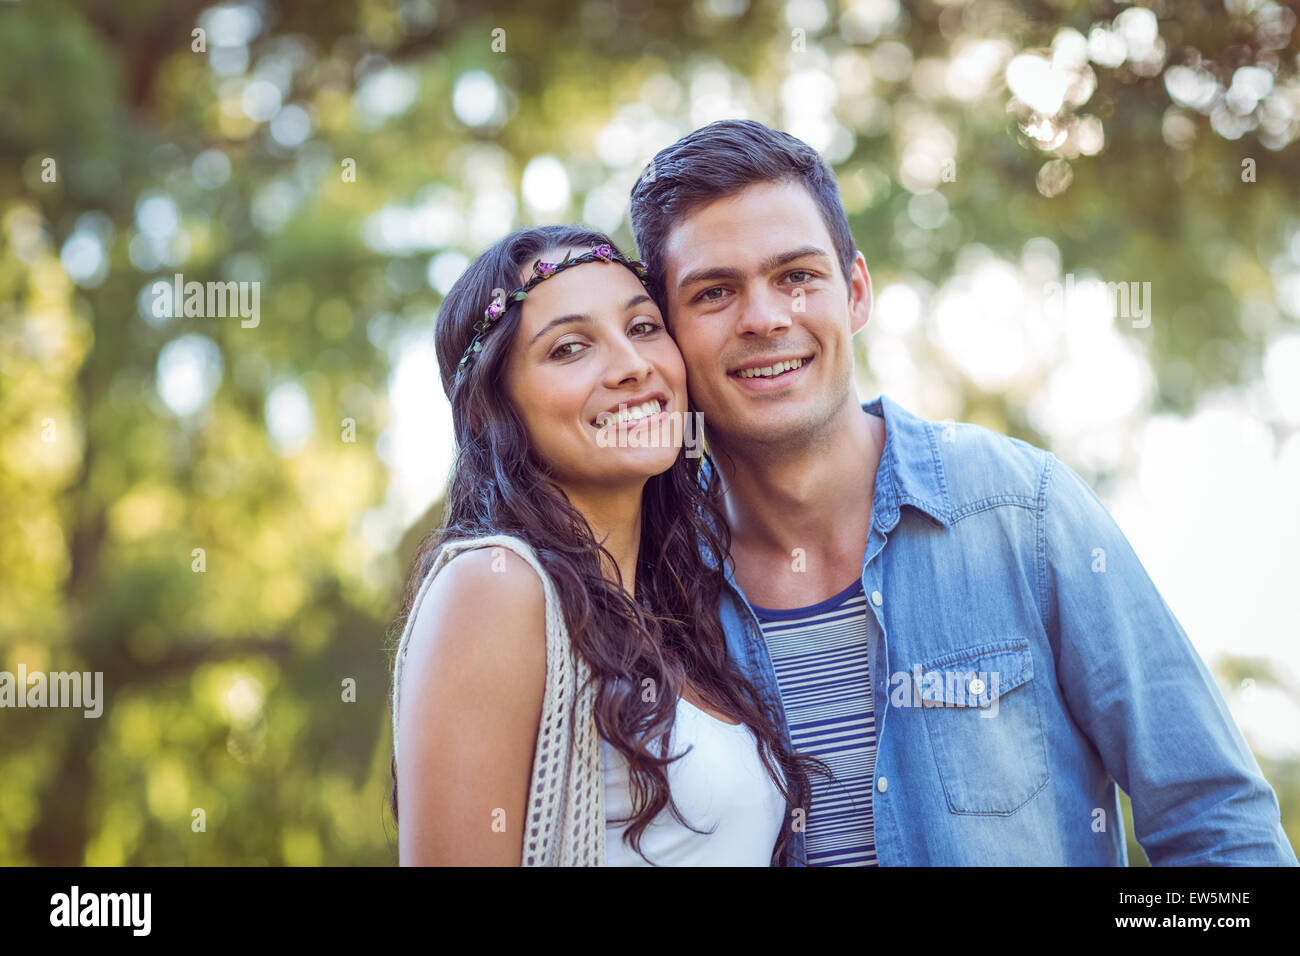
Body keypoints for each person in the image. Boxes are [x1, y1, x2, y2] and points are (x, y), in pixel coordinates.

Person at [628, 118, 1299, 866]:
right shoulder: (646, 587)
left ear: (855, 293)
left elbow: (1220, 828)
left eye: (797, 276)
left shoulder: (1024, 511)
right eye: (715, 292)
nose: (765, 317)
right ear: (665, 335)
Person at [387, 225, 829, 866]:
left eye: (644, 328)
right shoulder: (494, 585)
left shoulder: (676, 611)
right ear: (489, 409)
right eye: (569, 348)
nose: (630, 365)